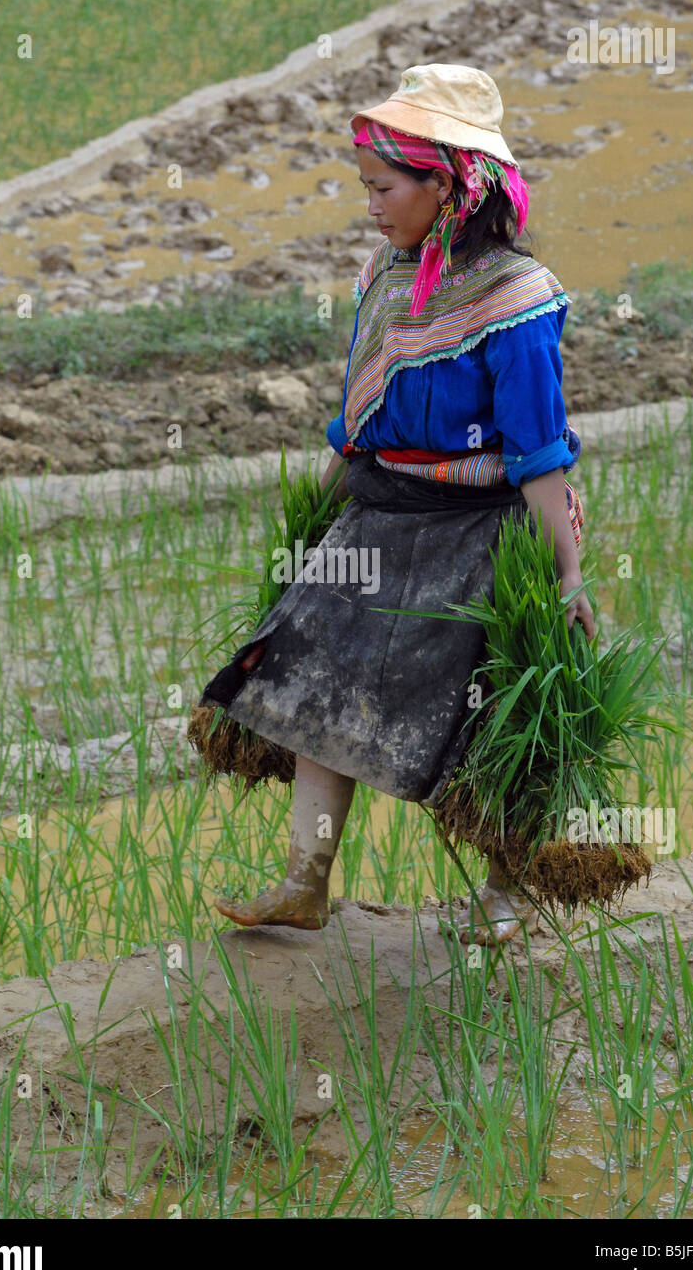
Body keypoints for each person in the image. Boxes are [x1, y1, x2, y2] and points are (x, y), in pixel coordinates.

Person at [197, 64, 595, 946]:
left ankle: (503, 897)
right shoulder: (387, 273)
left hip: (479, 529)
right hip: (378, 515)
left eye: (383, 187)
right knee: (312, 687)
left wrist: (565, 579)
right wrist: (319, 520)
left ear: (446, 185)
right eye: (365, 187)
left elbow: (538, 453)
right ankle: (306, 880)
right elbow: (359, 417)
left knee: (489, 716)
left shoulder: (515, 300)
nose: (371, 206)